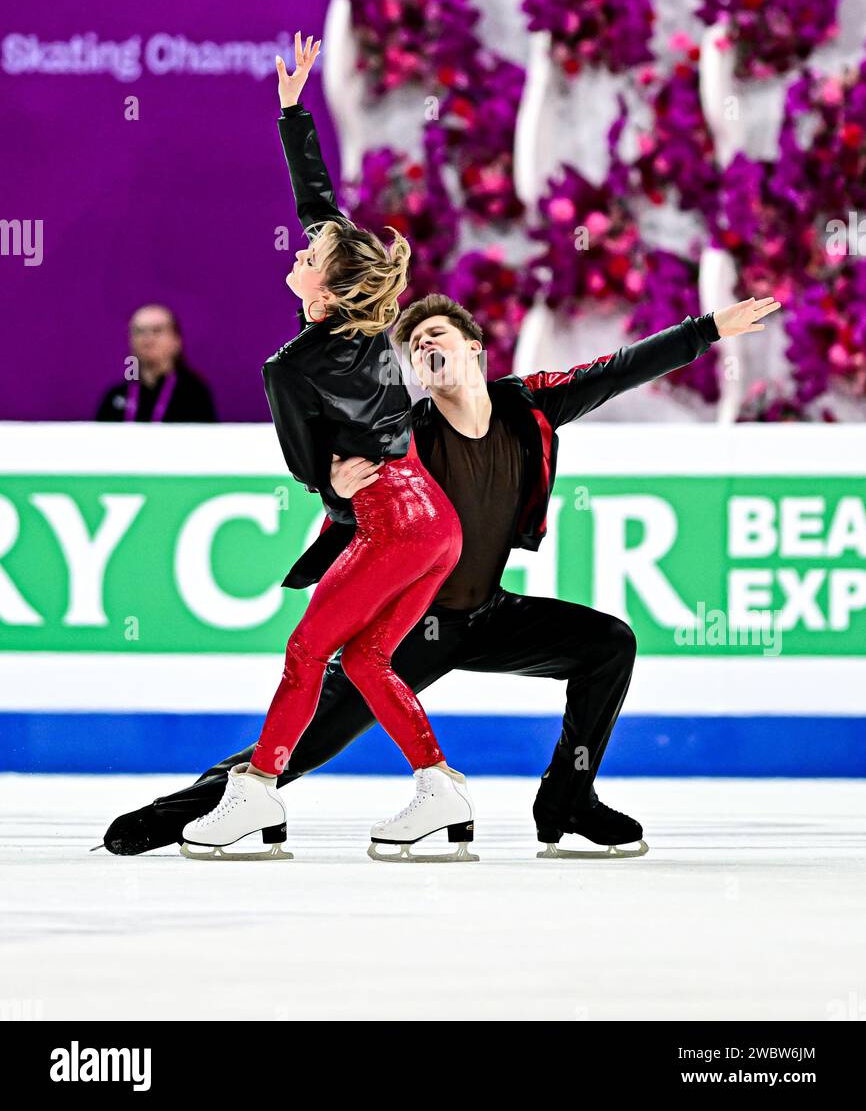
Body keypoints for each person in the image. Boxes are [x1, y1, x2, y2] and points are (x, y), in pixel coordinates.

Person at [103, 287, 780, 860]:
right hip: (404, 630)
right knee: (298, 742)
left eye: (438, 335)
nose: (427, 346)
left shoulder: (530, 408)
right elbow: (342, 487)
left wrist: (709, 329)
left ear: (474, 352)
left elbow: (617, 369)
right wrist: (336, 485)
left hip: (485, 614)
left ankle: (567, 801)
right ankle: (179, 811)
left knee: (609, 644)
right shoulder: (400, 432)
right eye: (416, 342)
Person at [179, 33, 472, 862]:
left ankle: (257, 795)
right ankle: (439, 793)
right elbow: (317, 200)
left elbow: (303, 465)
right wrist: (291, 110)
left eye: (309, 256)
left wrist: (339, 487)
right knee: (369, 656)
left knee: (309, 649)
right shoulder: (364, 316)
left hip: (392, 522)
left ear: (331, 286)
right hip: (434, 521)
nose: (301, 251)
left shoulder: (291, 366)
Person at [95, 303, 217, 423]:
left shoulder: (193, 395)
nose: (148, 339)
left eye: (157, 330)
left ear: (176, 340)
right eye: (139, 331)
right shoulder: (117, 395)